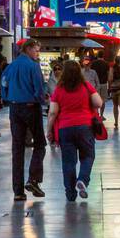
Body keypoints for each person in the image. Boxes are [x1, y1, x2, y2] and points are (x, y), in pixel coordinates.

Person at [48, 60, 102, 202]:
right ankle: (82, 179)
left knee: (68, 163)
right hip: (85, 127)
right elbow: (99, 103)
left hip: (65, 129)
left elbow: (53, 112)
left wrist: (49, 131)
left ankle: (70, 194)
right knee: (88, 156)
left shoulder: (59, 89)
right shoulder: (86, 86)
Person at [2, 39, 48, 201]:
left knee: (17, 148)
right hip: (30, 107)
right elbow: (39, 87)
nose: (38, 53)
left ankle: (18, 192)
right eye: (36, 50)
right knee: (40, 143)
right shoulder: (33, 66)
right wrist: (42, 100)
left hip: (15, 108)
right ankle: (33, 179)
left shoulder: (11, 66)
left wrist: (8, 97)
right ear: (28, 49)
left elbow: (4, 83)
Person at [107, 56, 120, 128]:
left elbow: (110, 79)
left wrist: (109, 87)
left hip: (114, 89)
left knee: (115, 106)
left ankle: (116, 122)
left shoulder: (112, 68)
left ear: (115, 61)